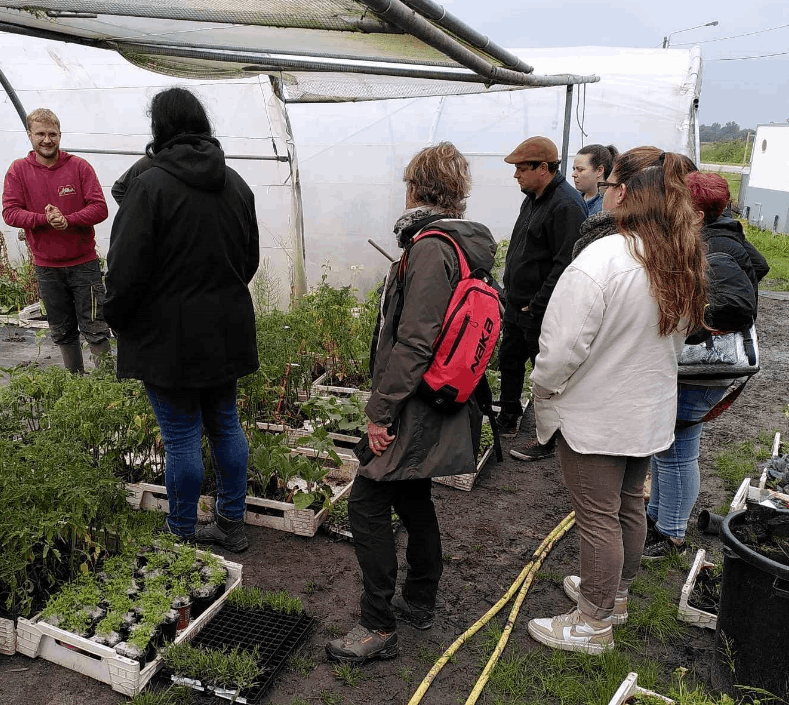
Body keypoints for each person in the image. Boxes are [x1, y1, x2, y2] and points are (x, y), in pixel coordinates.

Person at [525, 147, 708, 654]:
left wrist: (543, 388)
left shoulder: (602, 260)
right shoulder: (675, 257)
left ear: (622, 192)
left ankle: (593, 623)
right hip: (646, 409)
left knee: (596, 518)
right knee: (628, 504)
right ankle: (615, 596)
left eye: (607, 187)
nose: (602, 194)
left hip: (597, 417)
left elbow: (561, 349)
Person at [325, 142, 497, 666]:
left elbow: (416, 340)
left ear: (417, 189)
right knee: (414, 496)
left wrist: (381, 412)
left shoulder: (430, 248)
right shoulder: (465, 245)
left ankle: (377, 624)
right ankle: (420, 599)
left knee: (368, 502)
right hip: (442, 398)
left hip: (417, 402)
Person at [104, 88, 259, 549]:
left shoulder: (149, 186)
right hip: (226, 332)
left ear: (159, 129)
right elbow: (247, 262)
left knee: (181, 439)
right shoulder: (236, 184)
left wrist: (118, 317)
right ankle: (231, 524)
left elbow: (125, 271)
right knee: (225, 424)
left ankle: (182, 532)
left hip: (168, 339)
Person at [643, 171, 769, 559]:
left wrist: (689, 323)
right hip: (703, 370)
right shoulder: (723, 239)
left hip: (703, 371)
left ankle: (671, 534)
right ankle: (657, 518)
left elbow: (738, 307)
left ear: (697, 215)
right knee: (668, 446)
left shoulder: (716, 249)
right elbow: (761, 265)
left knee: (678, 448)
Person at [497, 136, 587, 458]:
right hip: (516, 303)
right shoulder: (532, 197)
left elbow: (566, 263)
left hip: (539, 309)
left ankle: (548, 439)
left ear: (543, 168)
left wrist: (537, 304)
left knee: (545, 374)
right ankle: (508, 417)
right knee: (509, 360)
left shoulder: (565, 205)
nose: (516, 175)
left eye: (522, 168)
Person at [2, 108, 111, 373]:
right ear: (30, 135)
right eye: (40, 134)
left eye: (52, 134)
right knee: (62, 330)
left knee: (95, 327)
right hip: (47, 268)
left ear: (60, 135)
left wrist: (69, 219)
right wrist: (44, 219)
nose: (47, 140)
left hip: (84, 265)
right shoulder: (19, 171)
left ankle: (108, 385)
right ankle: (76, 383)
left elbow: (100, 208)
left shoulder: (78, 167)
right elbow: (9, 211)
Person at [571, 144, 618, 215]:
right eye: (574, 169)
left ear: (599, 170)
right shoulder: (573, 199)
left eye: (580, 170)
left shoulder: (607, 207)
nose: (574, 174)